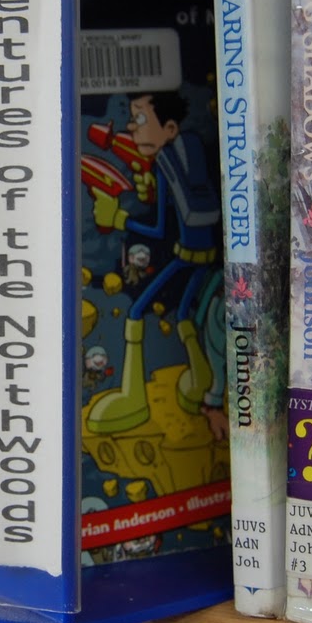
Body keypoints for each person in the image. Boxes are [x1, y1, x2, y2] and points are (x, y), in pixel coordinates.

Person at [87, 90, 221, 433]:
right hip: (205, 257)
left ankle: (133, 401)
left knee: (135, 313)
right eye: (133, 118)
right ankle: (201, 379)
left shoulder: (166, 165)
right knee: (181, 316)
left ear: (170, 128)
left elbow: (160, 228)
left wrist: (119, 219)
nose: (132, 127)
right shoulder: (188, 155)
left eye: (141, 119)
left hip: (185, 258)